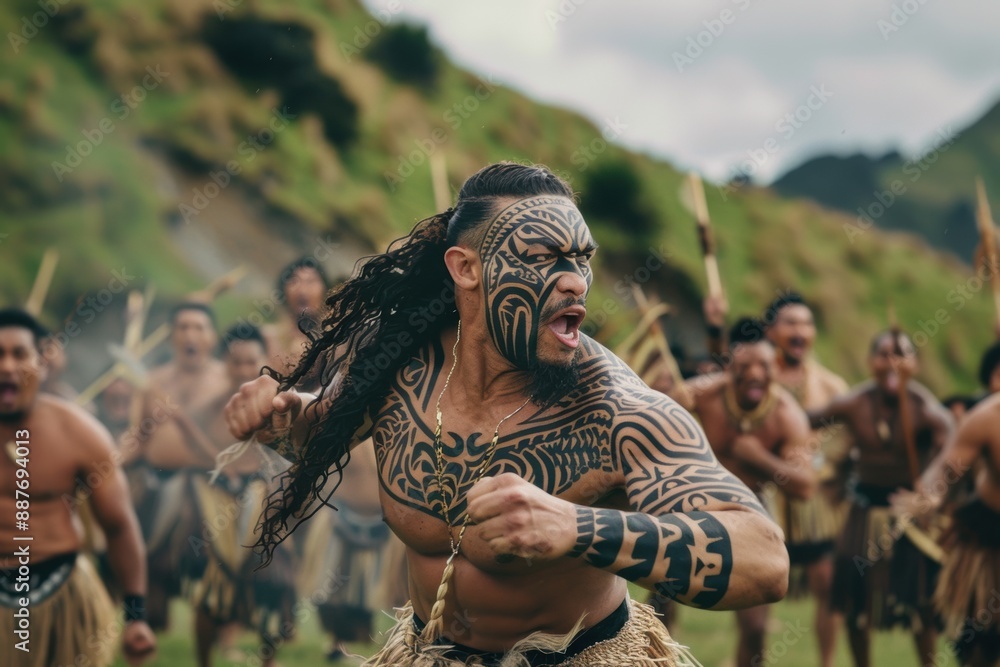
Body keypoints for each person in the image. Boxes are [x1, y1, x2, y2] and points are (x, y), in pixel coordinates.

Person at [226, 163, 790, 666]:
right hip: (428, 654)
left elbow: (764, 560)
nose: (575, 280)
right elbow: (318, 435)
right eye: (543, 257)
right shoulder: (397, 363)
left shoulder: (619, 412)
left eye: (582, 259)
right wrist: (284, 421)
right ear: (465, 268)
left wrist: (575, 527)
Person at [0, 308, 156, 666]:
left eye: (19, 354)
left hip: (62, 592)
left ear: (42, 364)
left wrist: (136, 616)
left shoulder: (80, 433)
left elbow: (119, 526)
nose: (7, 366)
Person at [809, 331, 954, 667]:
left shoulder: (924, 408)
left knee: (921, 602)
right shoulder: (855, 403)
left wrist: (932, 489)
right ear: (871, 361)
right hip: (863, 511)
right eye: (884, 354)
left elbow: (952, 448)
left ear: (914, 364)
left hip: (910, 517)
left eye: (901, 354)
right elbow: (807, 418)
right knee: (854, 600)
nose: (892, 362)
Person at [681, 317, 815, 667]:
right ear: (730, 367)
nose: (755, 374)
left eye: (764, 366)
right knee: (661, 599)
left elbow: (805, 486)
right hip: (697, 503)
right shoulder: (704, 394)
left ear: (776, 369)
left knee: (755, 627)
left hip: (752, 511)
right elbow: (650, 410)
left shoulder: (787, 415)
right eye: (745, 366)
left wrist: (759, 458)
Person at [191, 325, 296, 667]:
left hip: (264, 495)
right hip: (217, 500)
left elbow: (294, 455)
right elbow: (188, 453)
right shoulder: (209, 409)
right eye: (236, 362)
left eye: (251, 361)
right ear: (225, 363)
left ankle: (267, 660)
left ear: (263, 361)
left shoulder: (280, 404)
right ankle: (204, 661)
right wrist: (218, 466)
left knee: (270, 579)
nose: (243, 369)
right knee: (213, 586)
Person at [129, 302, 231, 630]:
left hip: (214, 487)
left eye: (198, 327)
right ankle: (146, 628)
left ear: (212, 336)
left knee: (217, 562)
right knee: (150, 560)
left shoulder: (227, 380)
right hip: (157, 482)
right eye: (183, 327)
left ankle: (222, 632)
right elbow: (138, 436)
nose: (190, 335)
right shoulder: (152, 381)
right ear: (172, 336)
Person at [762, 292, 850, 667]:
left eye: (807, 323)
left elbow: (846, 441)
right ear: (771, 331)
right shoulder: (757, 379)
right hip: (767, 497)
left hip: (815, 501)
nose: (800, 330)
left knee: (827, 583)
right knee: (758, 582)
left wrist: (819, 463)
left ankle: (827, 662)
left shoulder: (831, 387)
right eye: (791, 323)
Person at [892, 365, 1000, 665]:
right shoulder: (988, 417)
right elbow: (947, 467)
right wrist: (933, 493)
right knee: (981, 642)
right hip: (989, 541)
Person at [263, 257, 331, 388]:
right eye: (294, 281)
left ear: (326, 290)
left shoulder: (334, 343)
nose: (303, 290)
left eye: (311, 281)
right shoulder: (267, 338)